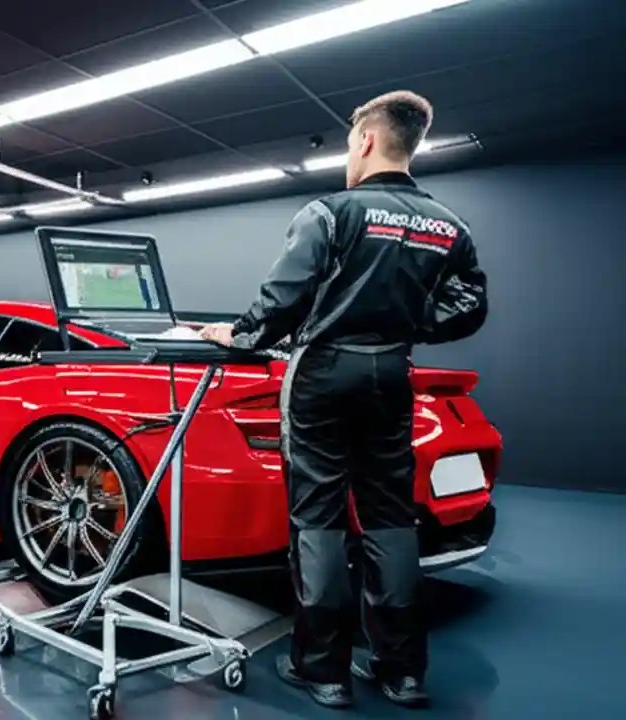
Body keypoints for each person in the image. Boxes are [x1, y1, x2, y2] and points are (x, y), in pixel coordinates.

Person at [200, 90, 487, 709]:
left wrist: (238, 334)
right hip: (392, 373)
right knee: (391, 518)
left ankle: (322, 670)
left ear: (364, 140)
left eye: (347, 142)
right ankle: (403, 671)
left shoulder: (329, 213)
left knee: (319, 519)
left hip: (324, 376)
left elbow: (281, 302)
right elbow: (470, 305)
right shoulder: (449, 225)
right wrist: (409, 319)